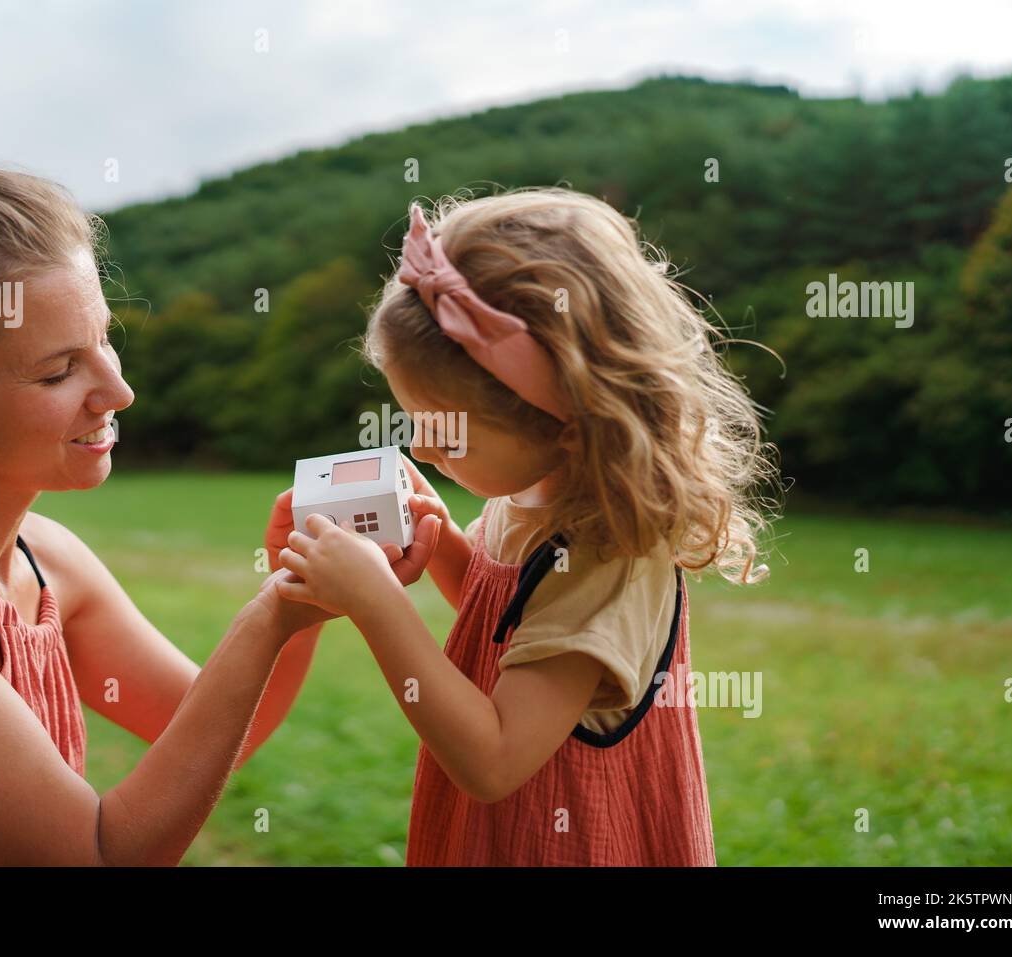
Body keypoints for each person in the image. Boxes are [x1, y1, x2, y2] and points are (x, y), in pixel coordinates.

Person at [0, 142, 438, 866]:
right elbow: (98, 854)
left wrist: (297, 601)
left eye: (103, 341)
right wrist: (268, 614)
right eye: (58, 371)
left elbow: (209, 728)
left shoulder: (44, 557)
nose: (119, 393)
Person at [275, 189, 780, 865]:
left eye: (448, 434)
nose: (422, 450)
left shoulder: (606, 551)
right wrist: (444, 540)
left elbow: (493, 758)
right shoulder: (532, 493)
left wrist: (376, 603)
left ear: (563, 426)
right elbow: (512, 630)